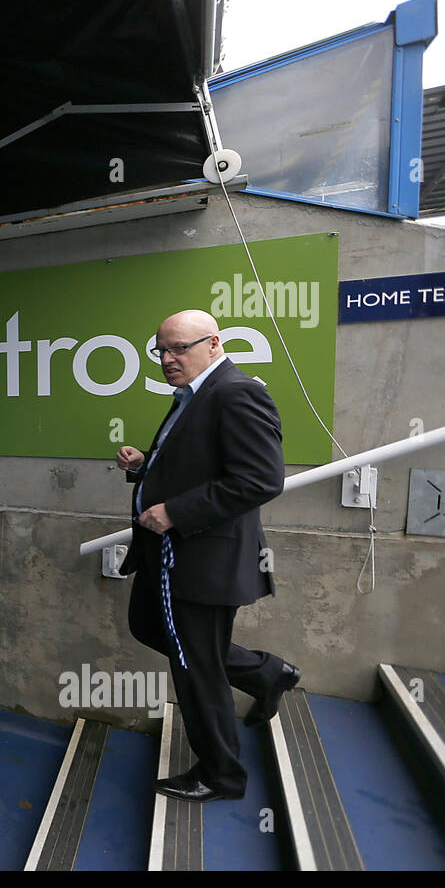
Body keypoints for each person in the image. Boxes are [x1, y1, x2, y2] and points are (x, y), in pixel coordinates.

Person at [116, 309, 301, 803]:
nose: (168, 359)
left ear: (214, 343)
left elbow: (260, 480)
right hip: (170, 556)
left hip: (200, 560)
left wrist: (176, 511)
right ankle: (265, 673)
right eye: (161, 350)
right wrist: (146, 465)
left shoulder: (237, 392)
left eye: (179, 348)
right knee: (150, 627)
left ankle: (222, 775)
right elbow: (202, 463)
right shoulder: (195, 395)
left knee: (195, 668)